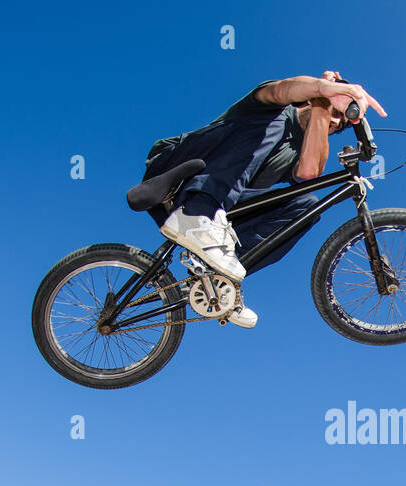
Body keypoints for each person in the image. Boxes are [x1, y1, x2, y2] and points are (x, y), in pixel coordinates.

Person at [140, 71, 386, 329]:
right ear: (308, 100)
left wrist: (324, 111)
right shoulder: (271, 109)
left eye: (339, 122)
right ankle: (199, 211)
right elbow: (281, 90)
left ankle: (220, 280)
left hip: (220, 205)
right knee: (274, 117)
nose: (336, 121)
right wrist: (322, 89)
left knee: (307, 204)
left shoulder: (301, 148)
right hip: (178, 172)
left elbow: (309, 172)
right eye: (333, 113)